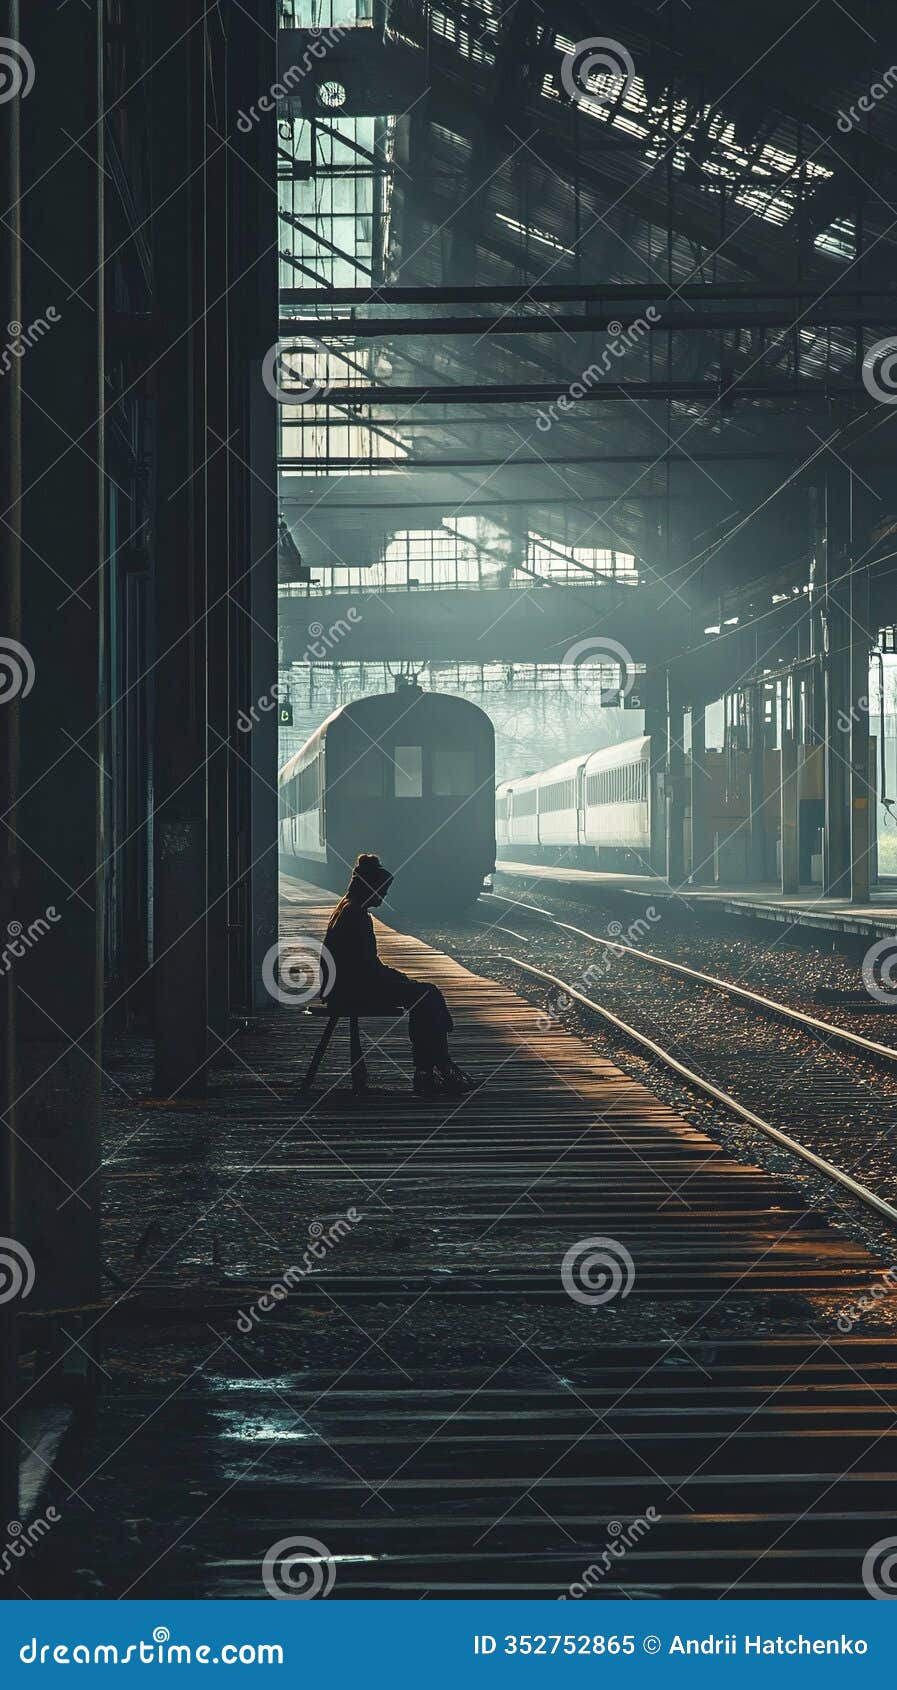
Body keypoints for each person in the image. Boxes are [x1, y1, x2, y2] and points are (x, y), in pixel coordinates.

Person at [322, 853, 473, 1097]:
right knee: (426, 996)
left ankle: (432, 1069)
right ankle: (433, 1069)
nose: (384, 897)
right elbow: (368, 968)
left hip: (344, 986)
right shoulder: (357, 916)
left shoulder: (347, 909)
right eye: (381, 891)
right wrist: (399, 979)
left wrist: (398, 978)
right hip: (352, 989)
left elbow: (366, 965)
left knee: (426, 993)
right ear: (370, 888)